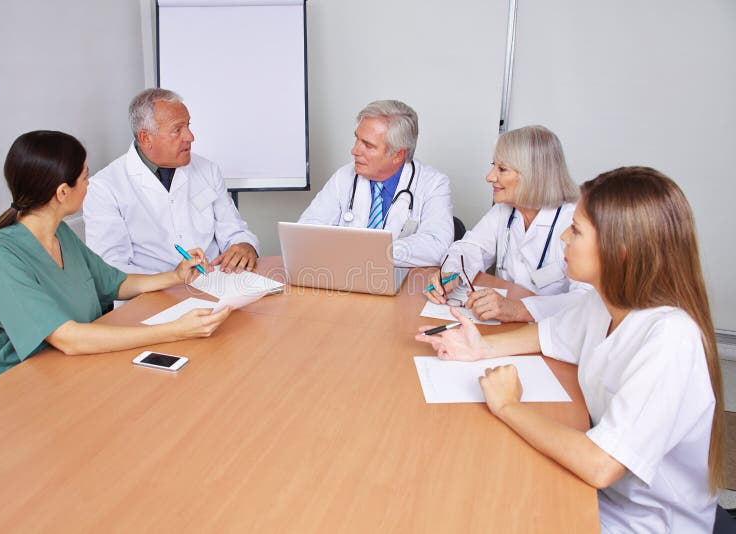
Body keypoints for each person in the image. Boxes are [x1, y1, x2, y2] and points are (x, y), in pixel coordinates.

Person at [416, 167, 724, 532]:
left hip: (642, 522)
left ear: (619, 251)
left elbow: (601, 465)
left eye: (576, 230)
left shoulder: (670, 338)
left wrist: (507, 405)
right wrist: (480, 347)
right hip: (603, 497)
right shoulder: (605, 302)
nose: (564, 235)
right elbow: (547, 335)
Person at [0, 131, 231, 382]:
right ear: (63, 193)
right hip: (24, 384)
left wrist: (175, 276)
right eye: (85, 177)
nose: (90, 183)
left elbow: (115, 283)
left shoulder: (60, 233)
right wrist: (174, 331)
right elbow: (68, 339)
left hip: (78, 368)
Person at [83, 88, 259, 275]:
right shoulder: (104, 187)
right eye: (177, 130)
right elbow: (111, 269)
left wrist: (245, 245)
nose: (190, 137)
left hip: (214, 281)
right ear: (146, 138)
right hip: (150, 295)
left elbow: (234, 230)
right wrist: (171, 279)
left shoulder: (208, 170)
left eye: (188, 126)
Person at [425, 125, 589, 323]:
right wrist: (452, 273)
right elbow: (469, 248)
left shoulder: (576, 221)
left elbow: (588, 300)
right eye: (493, 166)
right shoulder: (505, 210)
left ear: (534, 175)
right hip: (508, 327)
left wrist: (519, 310)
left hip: (555, 334)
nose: (489, 177)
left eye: (502, 169)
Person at [298, 100, 453, 267]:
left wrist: (371, 252)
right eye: (357, 139)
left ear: (398, 155)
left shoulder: (433, 184)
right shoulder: (344, 177)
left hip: (403, 283)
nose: (354, 150)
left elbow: (437, 245)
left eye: (368, 145)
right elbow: (306, 231)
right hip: (344, 277)